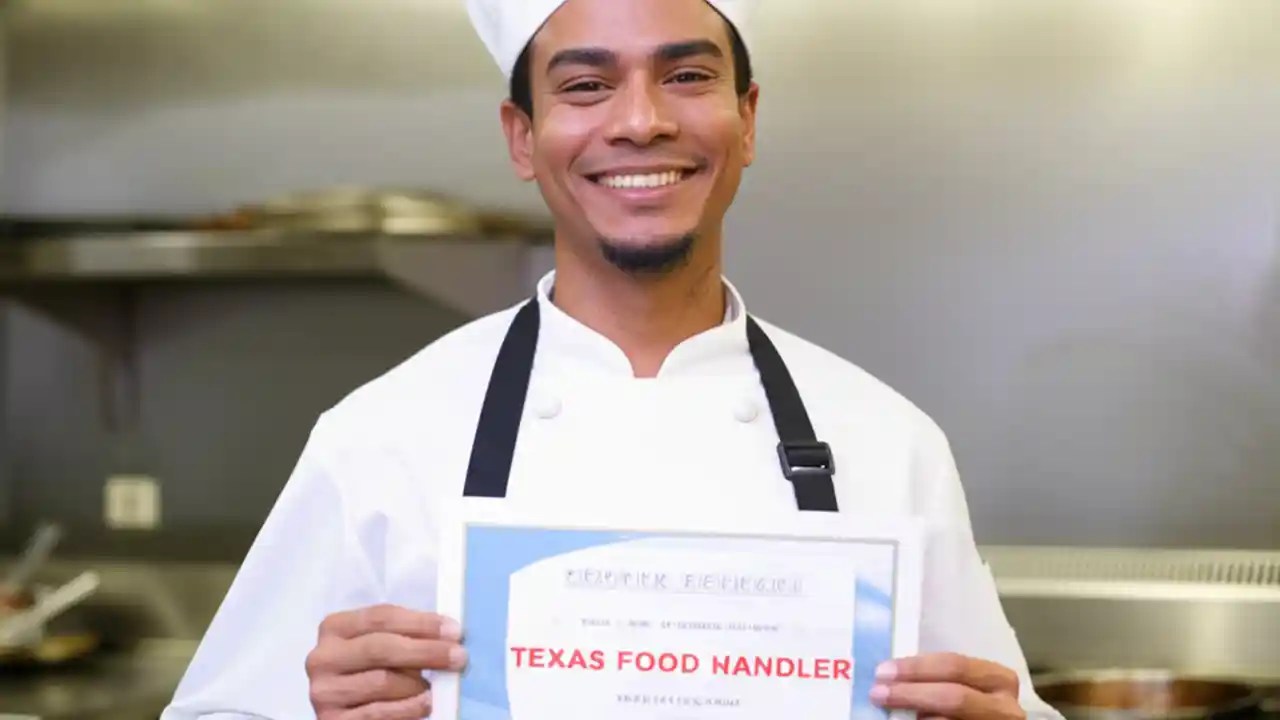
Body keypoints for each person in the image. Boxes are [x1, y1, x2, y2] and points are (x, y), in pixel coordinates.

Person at [162, 0, 1065, 718]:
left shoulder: (888, 444)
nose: (641, 122)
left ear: (746, 121)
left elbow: (996, 701)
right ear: (523, 136)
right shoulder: (379, 440)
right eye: (588, 86)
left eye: (687, 75)